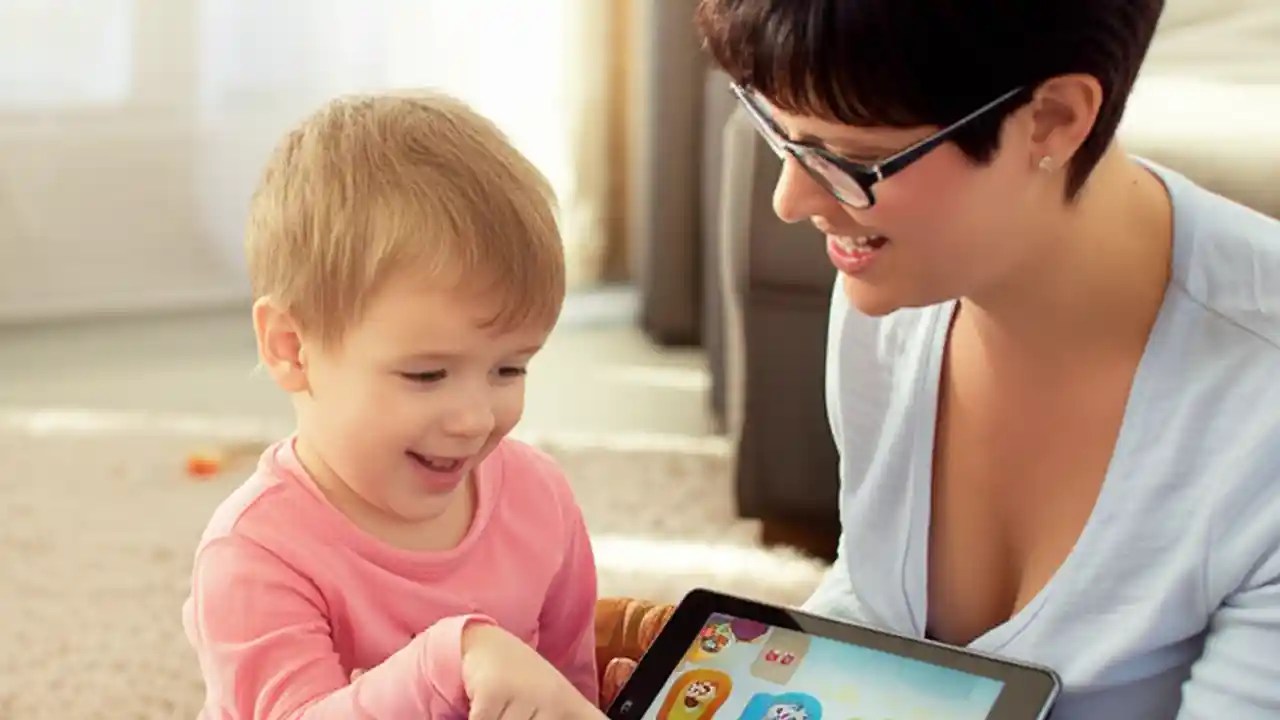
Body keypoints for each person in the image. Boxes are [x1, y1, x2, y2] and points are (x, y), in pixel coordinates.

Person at [607, 1, 1280, 717]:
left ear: (1053, 119)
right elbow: (877, 604)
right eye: (782, 134)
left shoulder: (1254, 413)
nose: (791, 199)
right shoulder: (903, 287)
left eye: (850, 159)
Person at [182, 90, 605, 719]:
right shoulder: (256, 551)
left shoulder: (539, 500)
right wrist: (451, 660)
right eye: (428, 374)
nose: (475, 419)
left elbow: (572, 689)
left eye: (509, 368)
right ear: (291, 349)